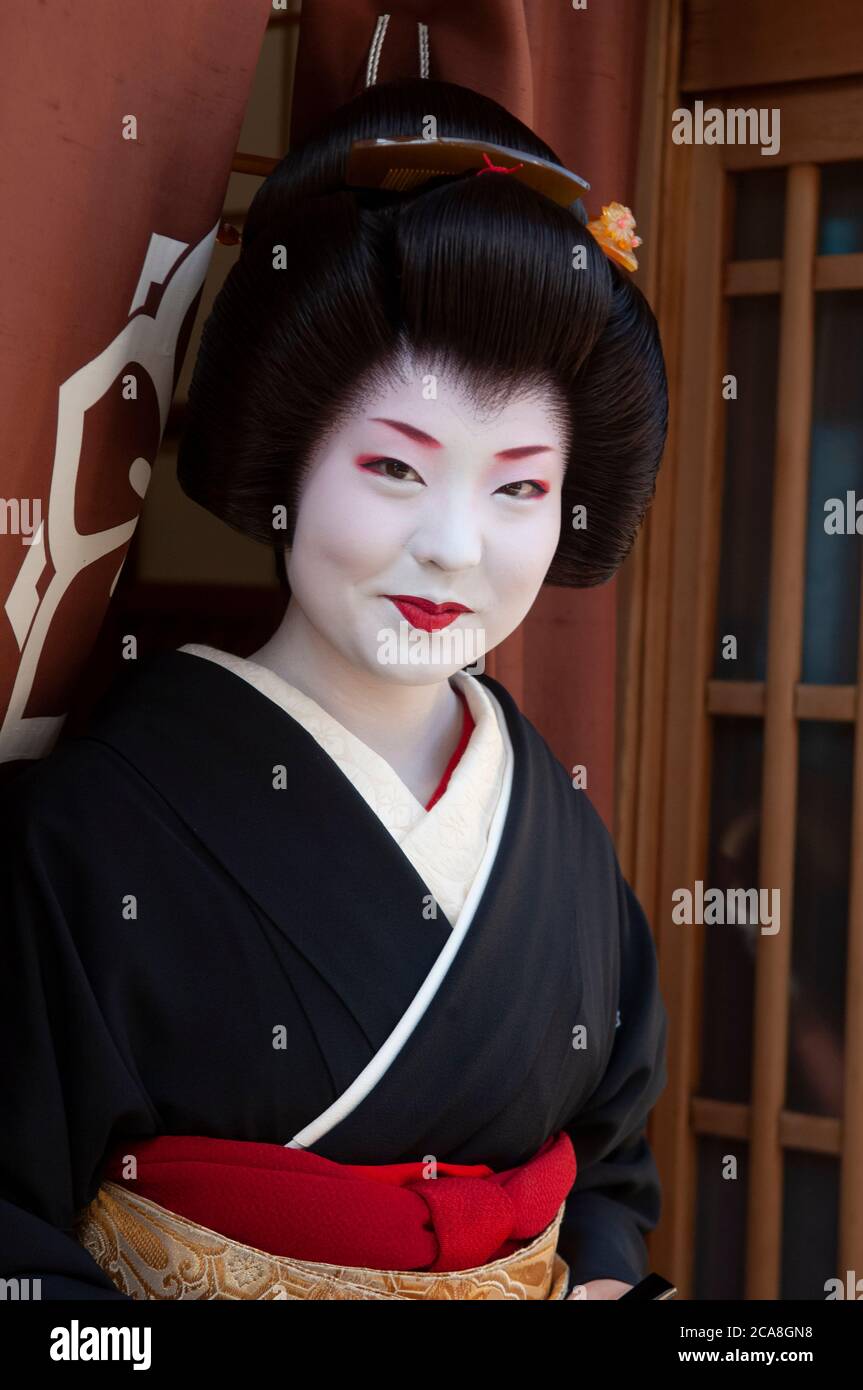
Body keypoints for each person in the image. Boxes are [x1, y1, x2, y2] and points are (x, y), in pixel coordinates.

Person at [0, 77, 669, 1301]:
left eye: (517, 487)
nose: (454, 548)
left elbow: (609, 1168)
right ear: (283, 461)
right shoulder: (95, 835)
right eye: (394, 469)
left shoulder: (562, 847)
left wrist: (605, 1279)